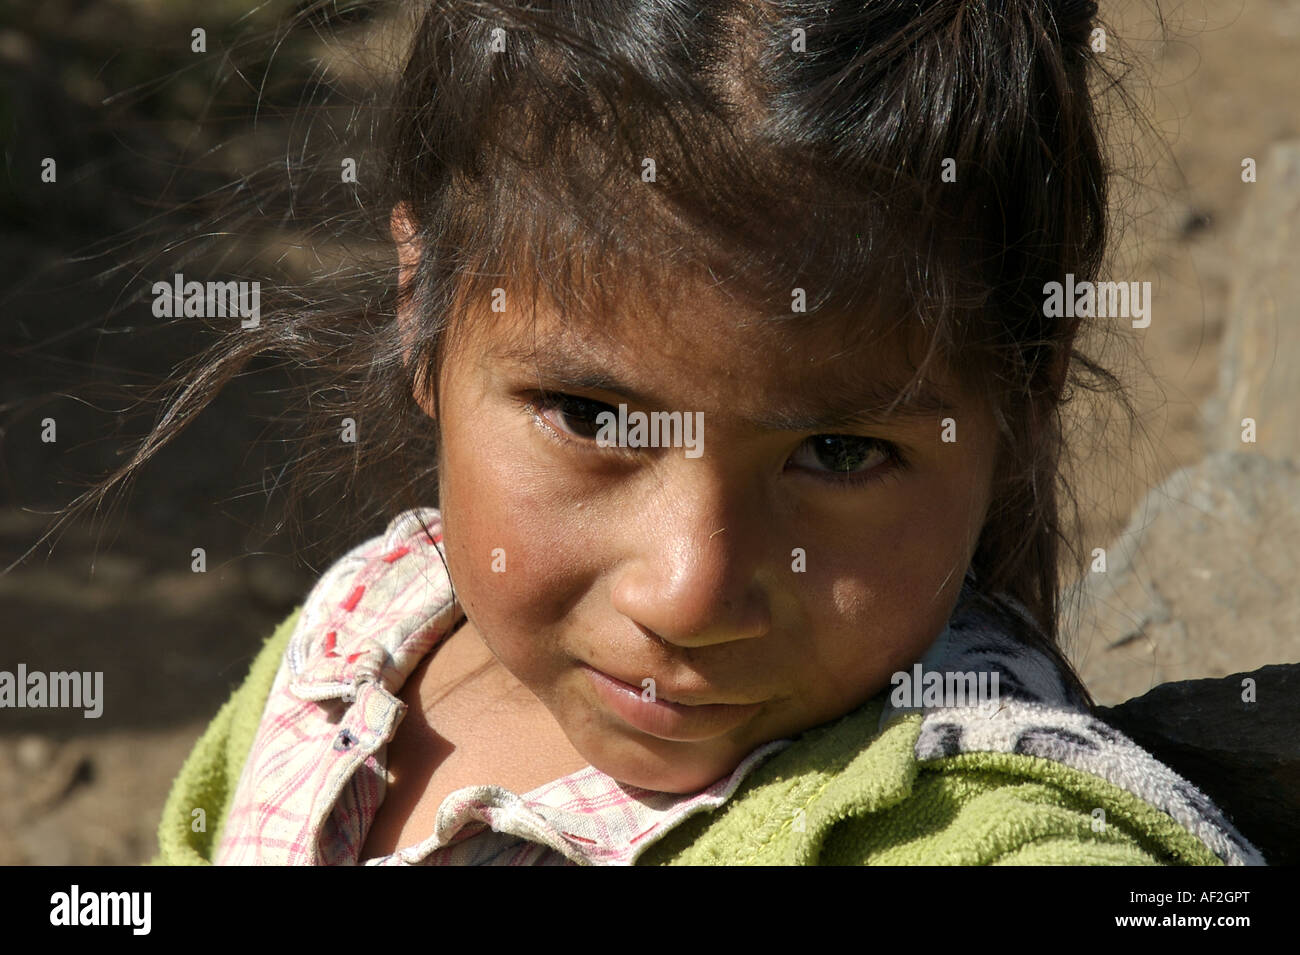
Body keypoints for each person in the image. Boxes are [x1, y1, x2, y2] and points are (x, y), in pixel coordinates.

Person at [141, 0, 1262, 864]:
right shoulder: (358, 638)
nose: (687, 591)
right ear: (418, 304)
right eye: (590, 417)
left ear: (1024, 403)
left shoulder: (962, 816)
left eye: (838, 452)